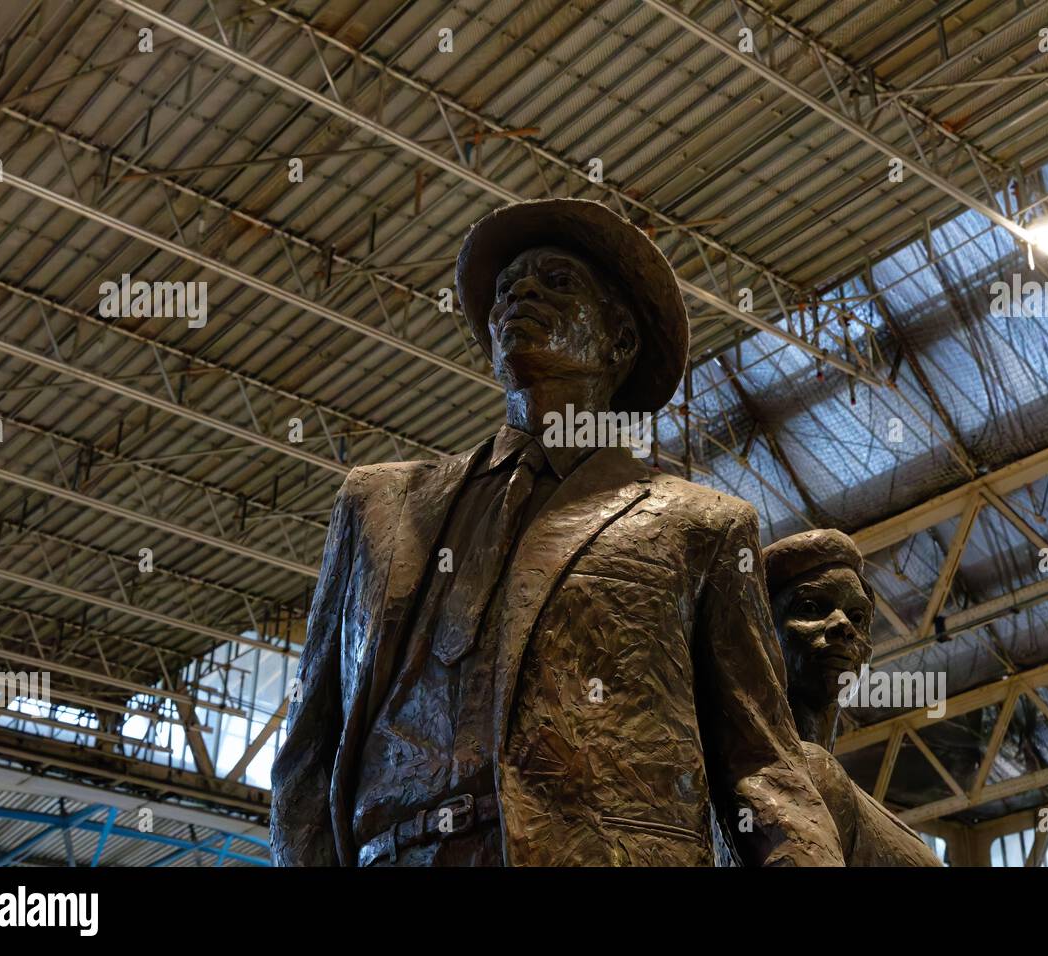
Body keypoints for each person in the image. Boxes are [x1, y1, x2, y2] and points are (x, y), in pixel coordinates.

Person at [270, 198, 843, 866]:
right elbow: (308, 756)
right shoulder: (378, 506)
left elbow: (760, 767)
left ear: (620, 340)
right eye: (508, 289)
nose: (524, 293)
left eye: (558, 282)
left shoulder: (700, 528)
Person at [765, 529, 942, 866]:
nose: (843, 624)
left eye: (858, 616)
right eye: (811, 607)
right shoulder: (804, 774)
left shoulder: (830, 780)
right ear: (762, 630)